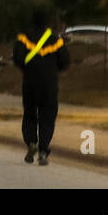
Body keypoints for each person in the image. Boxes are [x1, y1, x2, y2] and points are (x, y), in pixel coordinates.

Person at [14, 10, 69, 165]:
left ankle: (31, 142)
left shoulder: (23, 37)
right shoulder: (54, 39)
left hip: (30, 83)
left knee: (30, 113)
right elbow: (65, 60)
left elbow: (17, 58)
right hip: (49, 84)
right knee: (47, 117)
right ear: (47, 22)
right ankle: (43, 151)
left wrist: (28, 68)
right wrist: (52, 69)